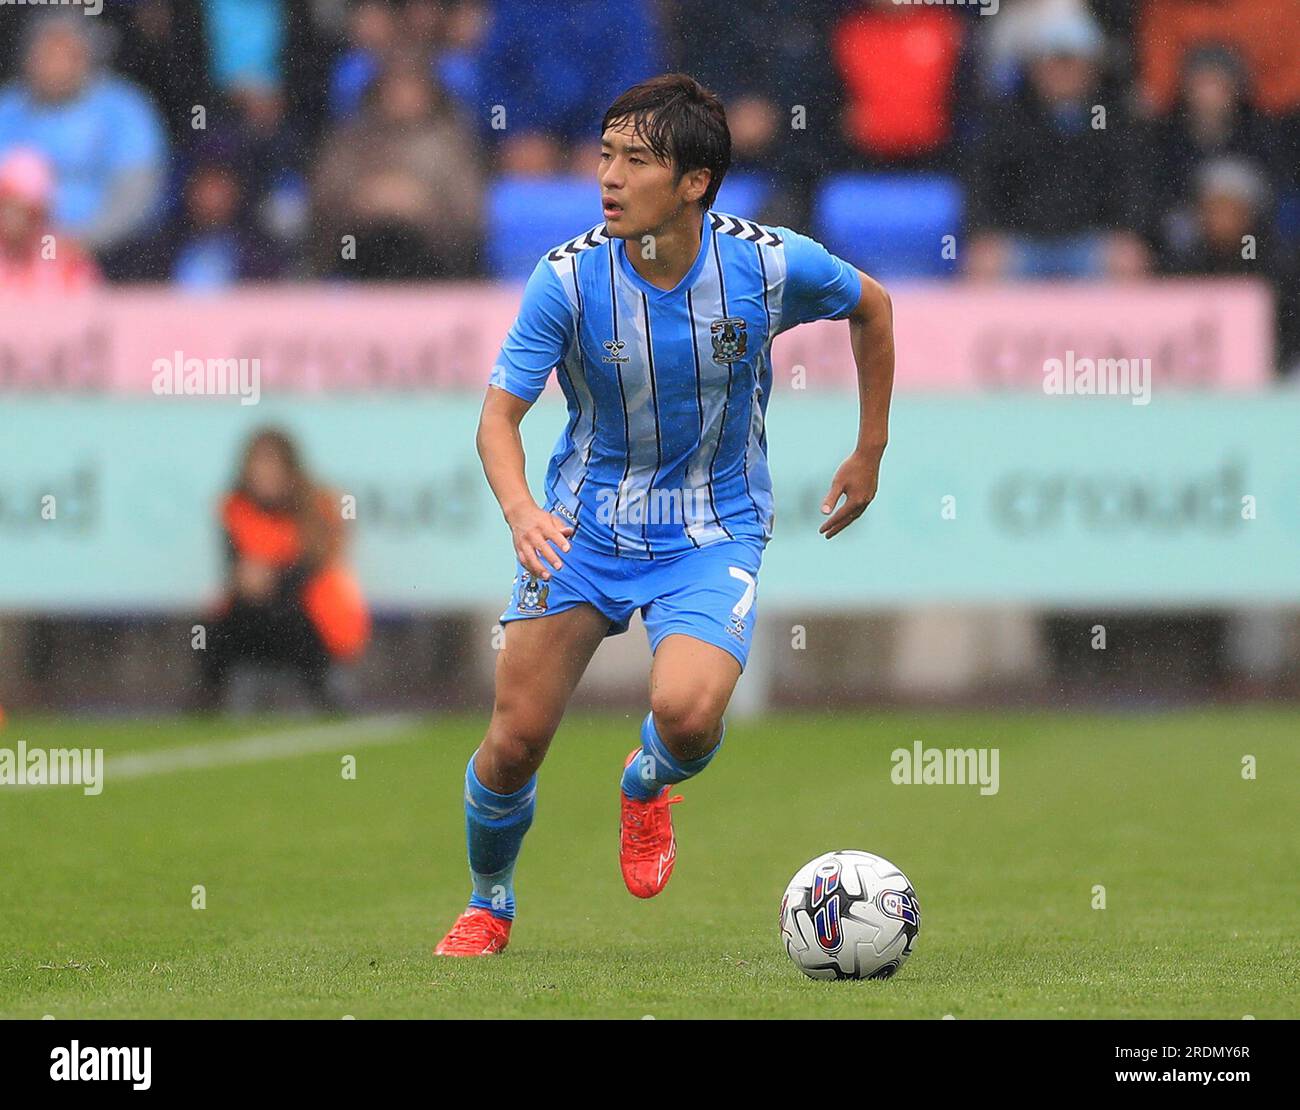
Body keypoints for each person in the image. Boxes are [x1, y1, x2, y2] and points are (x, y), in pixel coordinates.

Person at [434, 73, 896, 956]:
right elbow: (499, 417)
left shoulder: (765, 264)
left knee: (687, 714)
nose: (608, 176)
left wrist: (869, 447)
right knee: (515, 742)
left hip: (713, 527)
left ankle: (645, 783)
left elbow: (873, 306)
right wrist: (522, 507)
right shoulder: (566, 280)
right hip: (583, 526)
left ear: (694, 183)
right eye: (605, 154)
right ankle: (489, 900)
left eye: (634, 160)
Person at [198, 429, 370, 713]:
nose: (265, 474)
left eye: (272, 464)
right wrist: (258, 579)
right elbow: (238, 572)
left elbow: (312, 568)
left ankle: (330, 699)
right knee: (215, 627)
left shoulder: (317, 507)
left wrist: (272, 576)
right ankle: (207, 704)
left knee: (287, 613)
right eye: (258, 465)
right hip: (257, 614)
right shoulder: (236, 509)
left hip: (308, 619)